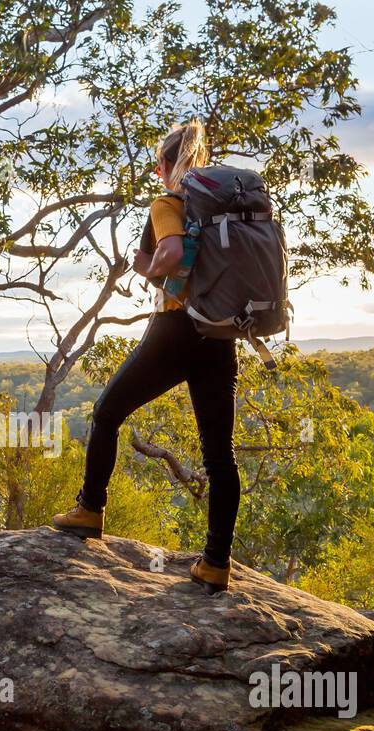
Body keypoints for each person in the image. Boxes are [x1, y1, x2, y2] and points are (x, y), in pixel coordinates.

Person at [51, 119, 240, 594]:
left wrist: (151, 270)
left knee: (106, 411)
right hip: (219, 336)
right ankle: (216, 562)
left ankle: (90, 509)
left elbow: (173, 254)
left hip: (176, 329)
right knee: (220, 456)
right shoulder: (222, 210)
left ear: (163, 166)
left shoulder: (169, 203)